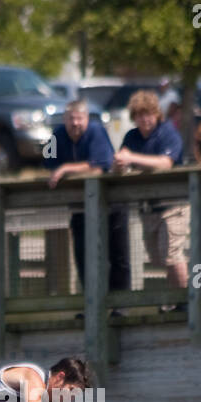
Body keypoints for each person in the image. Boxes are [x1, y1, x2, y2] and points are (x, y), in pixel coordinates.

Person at [45, 100, 132, 299]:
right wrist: (55, 168)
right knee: (84, 257)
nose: (75, 123)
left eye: (79, 118)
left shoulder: (96, 131)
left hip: (110, 204)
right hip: (80, 207)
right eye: (70, 119)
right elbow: (47, 162)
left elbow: (98, 166)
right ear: (64, 119)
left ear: (86, 119)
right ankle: (91, 303)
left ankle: (120, 305)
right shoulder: (57, 134)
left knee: (117, 257)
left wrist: (65, 169)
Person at [113, 90, 189, 306]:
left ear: (156, 114)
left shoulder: (168, 133)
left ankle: (187, 302)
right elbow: (121, 166)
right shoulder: (131, 137)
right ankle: (178, 299)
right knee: (158, 259)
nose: (144, 119)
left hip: (174, 204)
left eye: (148, 114)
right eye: (139, 115)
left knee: (172, 255)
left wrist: (131, 157)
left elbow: (166, 163)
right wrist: (118, 164)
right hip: (149, 207)